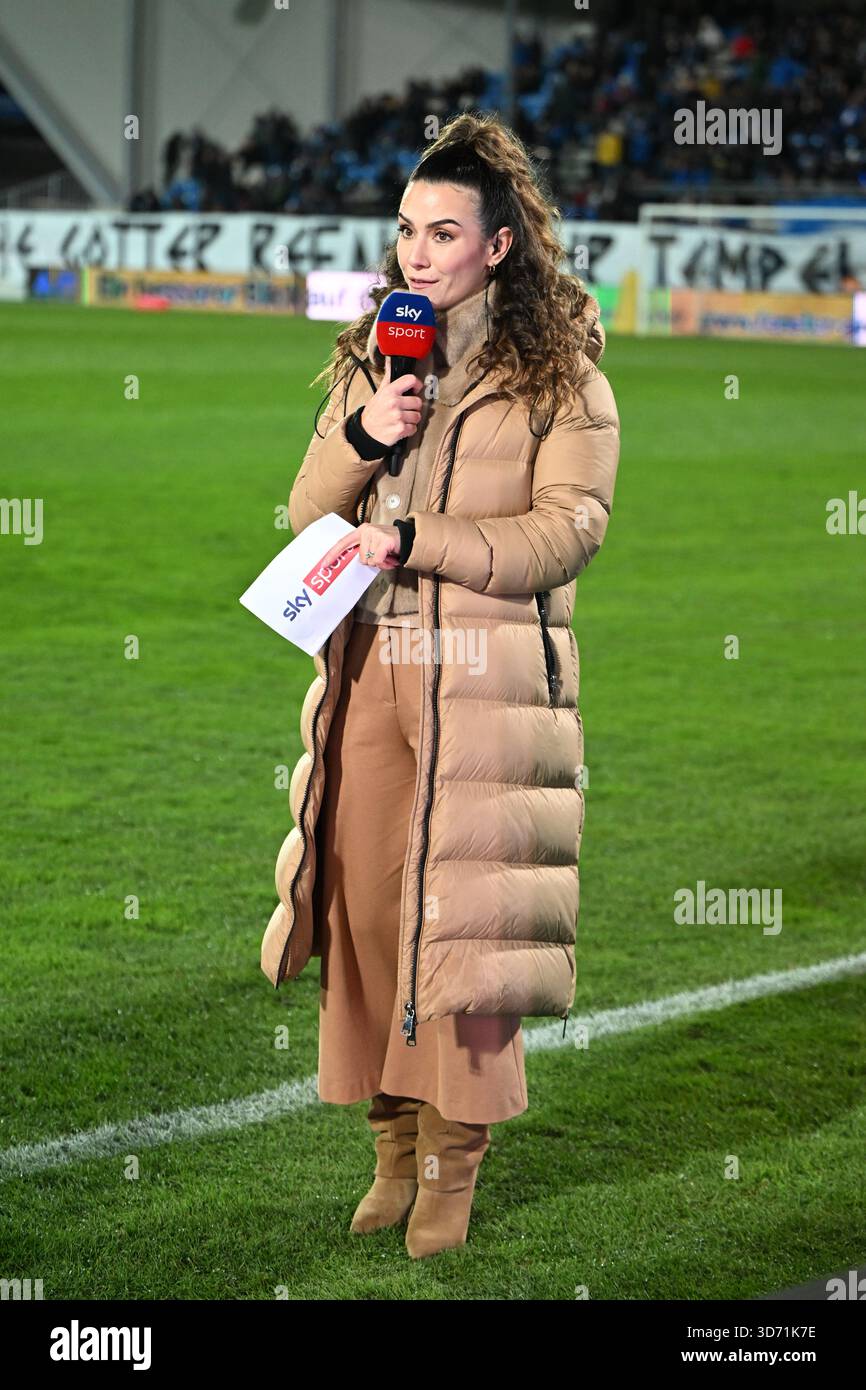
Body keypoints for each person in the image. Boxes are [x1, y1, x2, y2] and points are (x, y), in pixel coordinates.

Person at [260, 111, 621, 1259]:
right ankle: (388, 1145)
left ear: (499, 245)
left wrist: (419, 538)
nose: (416, 254)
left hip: (484, 675)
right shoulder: (380, 349)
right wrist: (366, 430)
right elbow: (303, 511)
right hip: (369, 664)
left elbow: (565, 532)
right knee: (365, 910)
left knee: (462, 920)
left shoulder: (563, 371)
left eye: (444, 232)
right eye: (407, 229)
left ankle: (450, 1166)